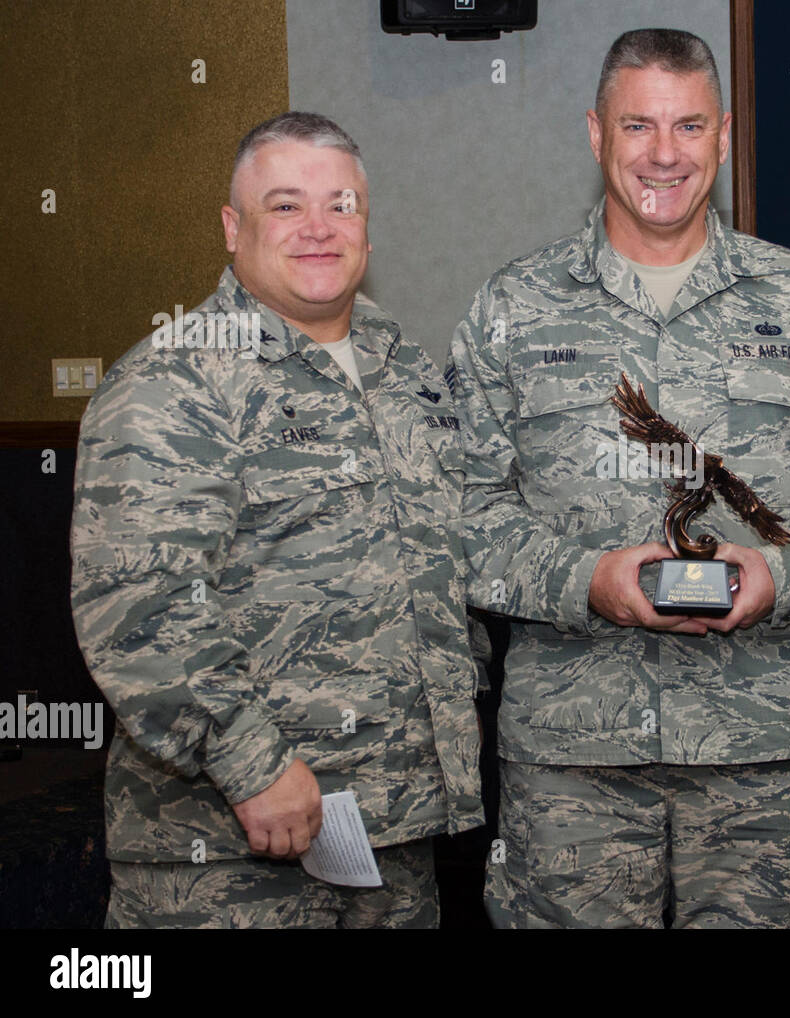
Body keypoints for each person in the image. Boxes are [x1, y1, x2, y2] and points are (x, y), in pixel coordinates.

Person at [450, 28, 790, 928]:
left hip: (758, 760)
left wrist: (786, 574)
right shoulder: (513, 307)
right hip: (570, 766)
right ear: (596, 136)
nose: (664, 153)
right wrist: (584, 581)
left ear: (726, 135)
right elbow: (460, 512)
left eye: (689, 125)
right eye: (638, 126)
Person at [70, 112, 482, 928]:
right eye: (286, 206)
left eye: (343, 204)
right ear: (234, 227)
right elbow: (139, 609)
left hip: (392, 833)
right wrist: (253, 765)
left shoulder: (408, 373)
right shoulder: (174, 380)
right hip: (228, 851)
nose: (320, 229)